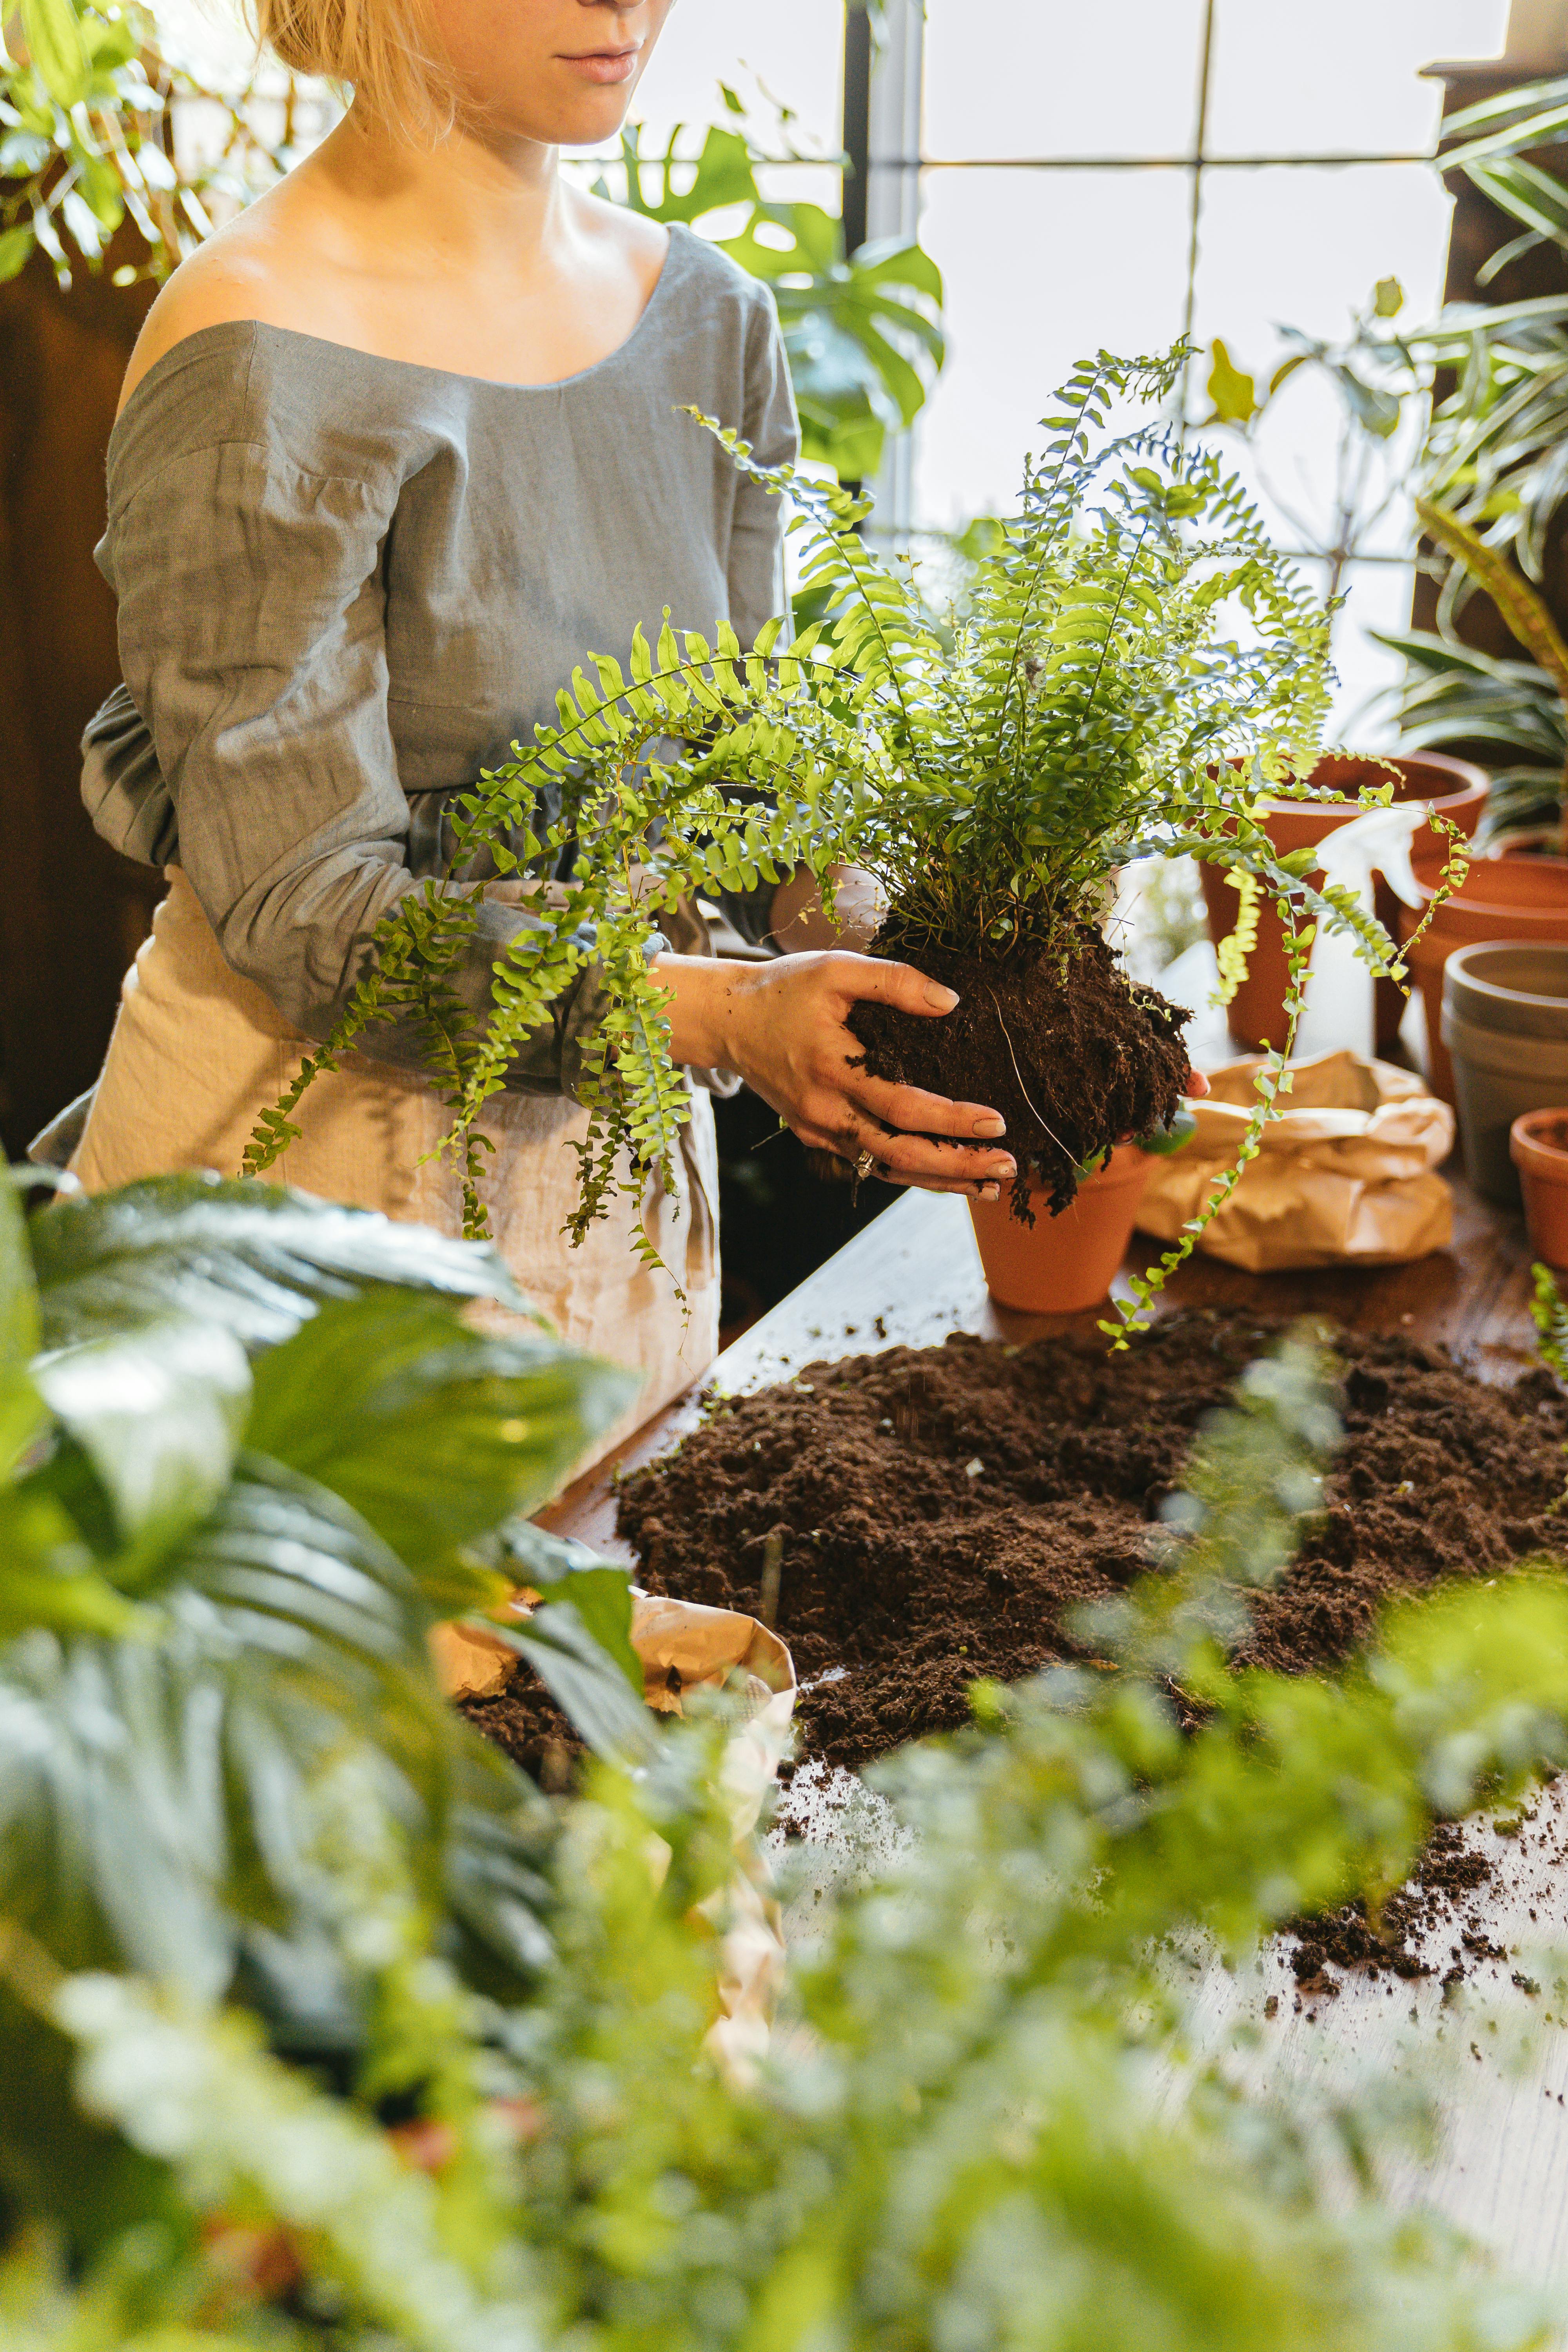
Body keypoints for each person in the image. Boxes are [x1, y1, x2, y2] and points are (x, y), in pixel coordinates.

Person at [65, 0, 1022, 1452]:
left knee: (579, 1605)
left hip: (615, 1194)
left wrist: (888, 936)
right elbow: (306, 902)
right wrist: (720, 1018)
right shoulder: (255, 354)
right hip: (308, 1193)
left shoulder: (709, 318)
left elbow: (728, 761)